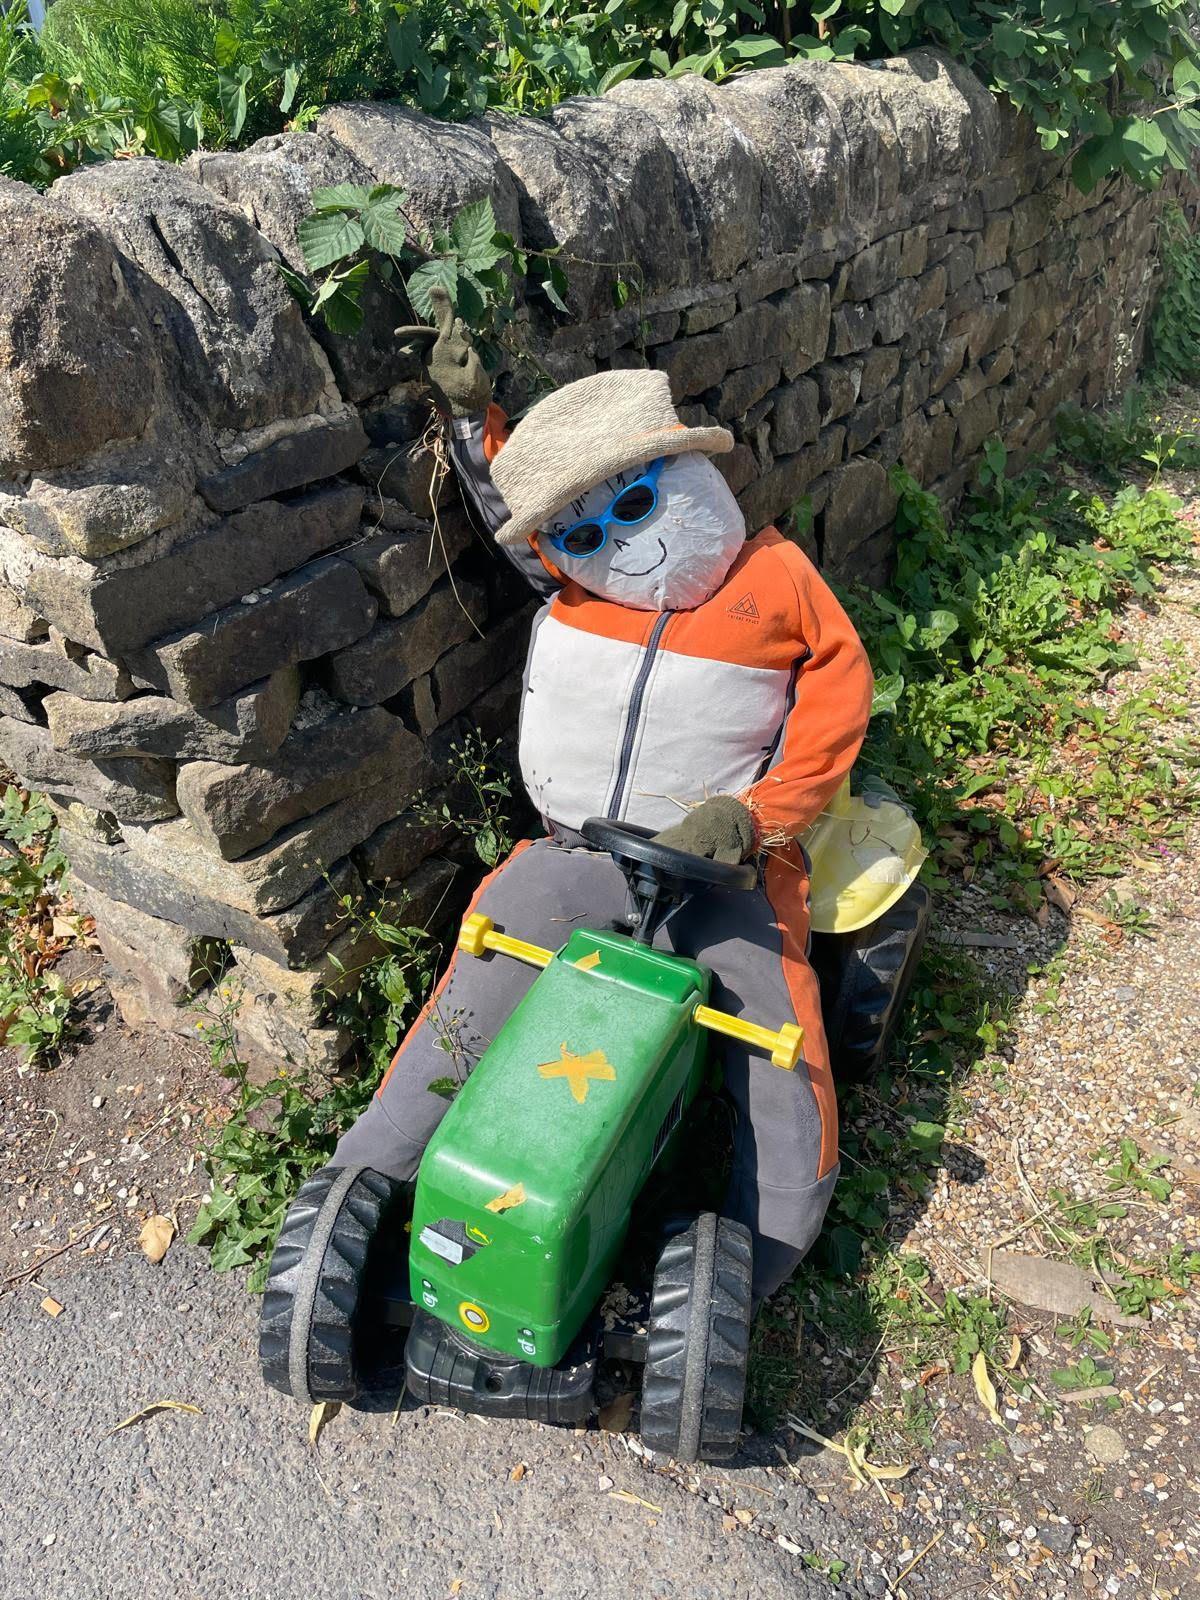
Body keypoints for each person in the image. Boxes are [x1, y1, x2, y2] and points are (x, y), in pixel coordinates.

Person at [333, 292, 875, 1302]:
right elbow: (522, 516)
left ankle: (767, 1249)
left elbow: (840, 695)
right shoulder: (574, 585)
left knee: (776, 1031)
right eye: (593, 530)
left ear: (689, 475)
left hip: (726, 873)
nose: (620, 543)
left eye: (637, 505)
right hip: (577, 856)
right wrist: (471, 418)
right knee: (484, 965)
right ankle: (364, 1180)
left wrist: (757, 821)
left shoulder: (777, 579)